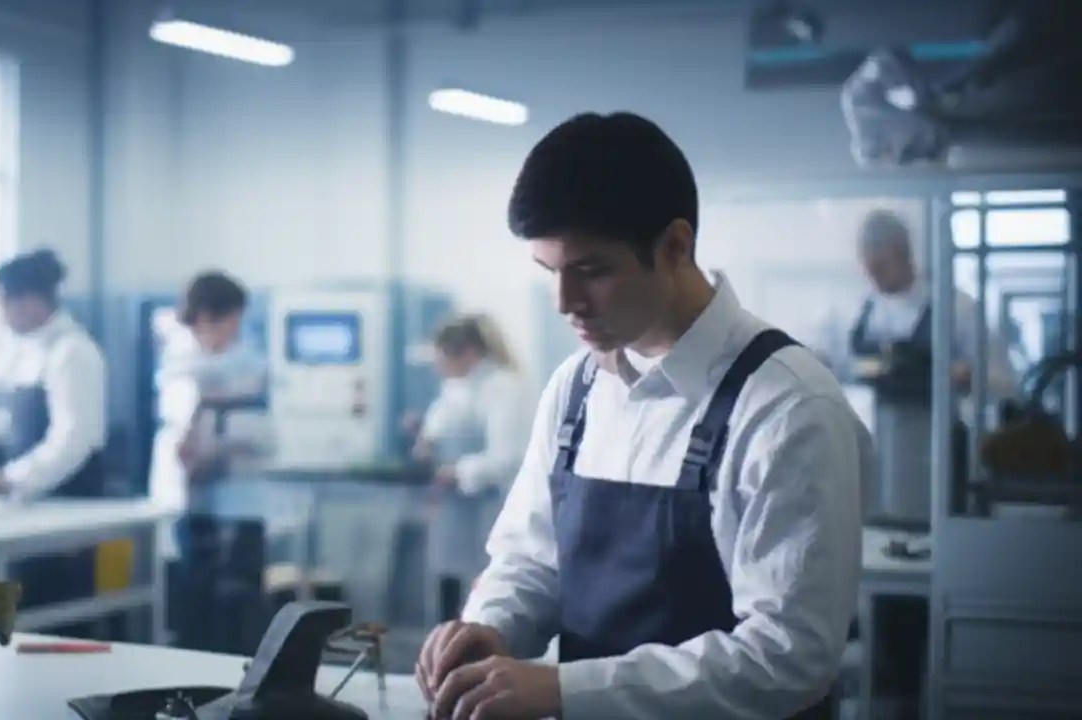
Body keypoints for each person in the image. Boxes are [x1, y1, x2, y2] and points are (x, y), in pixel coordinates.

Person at [415, 112, 869, 720]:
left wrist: (559, 689)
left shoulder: (786, 407)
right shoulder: (575, 388)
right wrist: (491, 627)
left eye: (592, 271)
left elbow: (787, 657)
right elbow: (531, 557)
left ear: (675, 246)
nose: (564, 304)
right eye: (550, 272)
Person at [413, 314, 533, 625]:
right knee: (448, 598)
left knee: (483, 601)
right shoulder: (457, 387)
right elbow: (437, 429)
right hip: (453, 514)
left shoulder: (503, 386)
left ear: (469, 353)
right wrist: (426, 438)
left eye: (442, 358)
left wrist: (457, 472)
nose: (438, 367)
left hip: (488, 510)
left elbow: (507, 456)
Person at [0, 249, 107, 500]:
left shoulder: (73, 352)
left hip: (70, 501)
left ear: (29, 302)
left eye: (3, 304)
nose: (1, 315)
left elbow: (73, 439)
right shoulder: (24, 350)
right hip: (34, 498)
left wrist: (12, 478)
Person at [149, 271, 273, 557]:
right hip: (186, 500)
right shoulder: (179, 368)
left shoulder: (251, 367)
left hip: (243, 501)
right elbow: (177, 438)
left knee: (239, 584)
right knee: (189, 581)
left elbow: (265, 437)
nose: (233, 326)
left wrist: (220, 448)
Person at [844, 208, 1015, 399]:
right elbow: (841, 367)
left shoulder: (956, 307)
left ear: (904, 252)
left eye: (881, 265)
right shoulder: (860, 311)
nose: (874, 276)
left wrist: (966, 377)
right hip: (872, 425)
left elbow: (1002, 379)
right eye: (869, 267)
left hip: (939, 426)